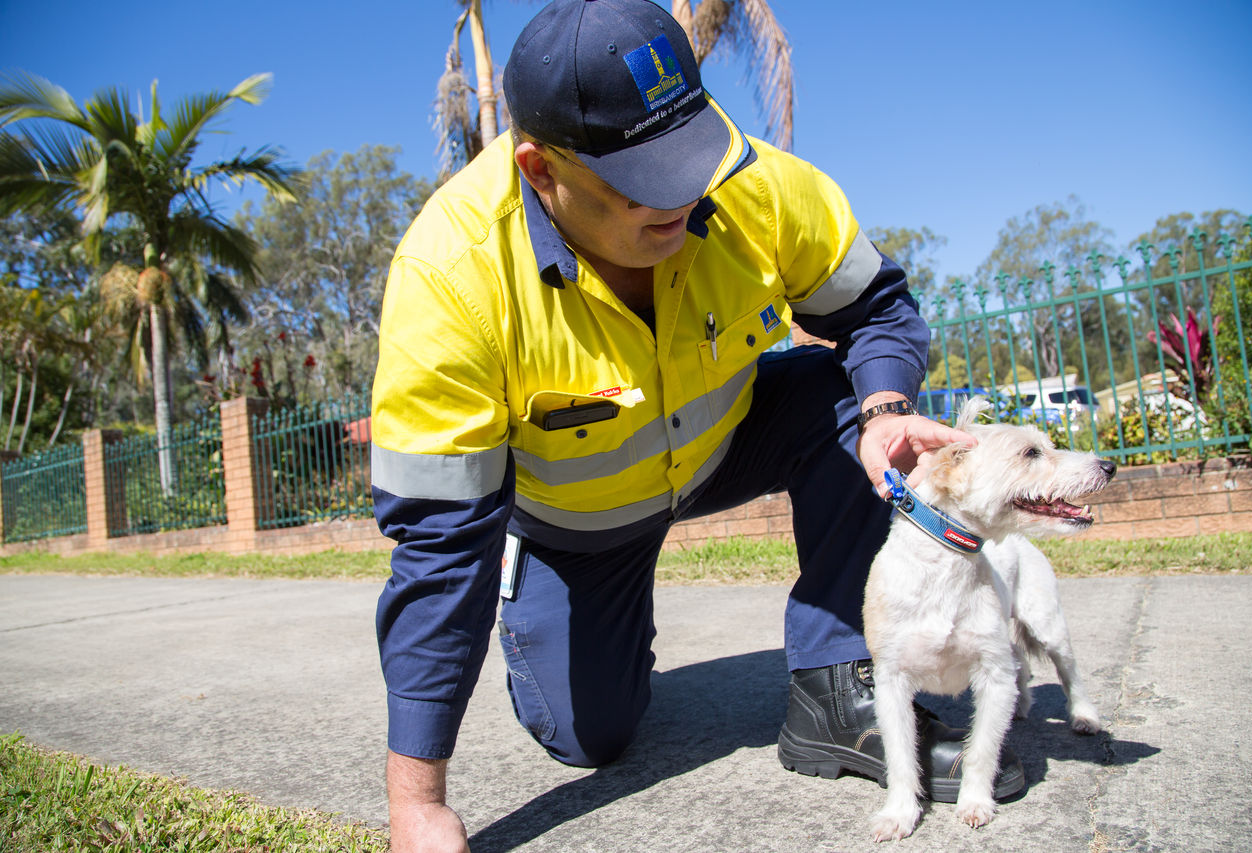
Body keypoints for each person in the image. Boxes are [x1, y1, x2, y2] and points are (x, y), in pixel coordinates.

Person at [371, 1, 1019, 849]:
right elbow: (440, 546)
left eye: (687, 153)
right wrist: (416, 803)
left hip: (724, 443)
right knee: (590, 737)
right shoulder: (449, 279)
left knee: (841, 389)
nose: (683, 194)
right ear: (540, 170)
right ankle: (567, 619)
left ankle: (835, 683)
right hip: (580, 525)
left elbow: (879, 311)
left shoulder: (756, 185)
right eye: (641, 178)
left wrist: (887, 409)